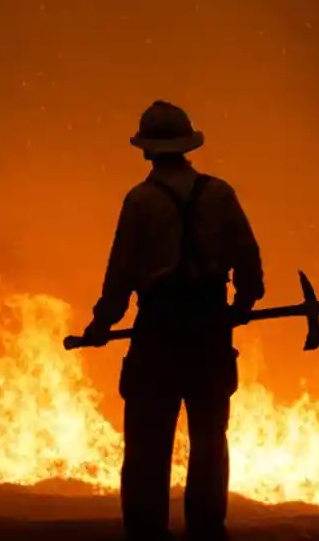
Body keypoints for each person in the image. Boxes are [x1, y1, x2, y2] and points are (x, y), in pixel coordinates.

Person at [80, 100, 264, 540]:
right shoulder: (219, 194)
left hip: (158, 337)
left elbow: (120, 275)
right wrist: (238, 308)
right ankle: (206, 532)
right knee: (208, 446)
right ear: (187, 144)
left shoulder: (141, 201)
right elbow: (249, 264)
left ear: (145, 149)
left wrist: (101, 326)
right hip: (209, 337)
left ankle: (147, 535)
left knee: (147, 450)